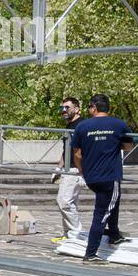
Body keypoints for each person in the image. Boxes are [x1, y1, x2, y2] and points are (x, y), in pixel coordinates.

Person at [70, 94, 133, 264]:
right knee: (101, 214)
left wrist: (80, 168)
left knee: (113, 202)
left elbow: (77, 153)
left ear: (94, 108)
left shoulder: (82, 127)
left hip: (91, 177)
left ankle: (114, 235)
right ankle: (90, 253)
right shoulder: (119, 125)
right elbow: (128, 146)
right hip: (109, 176)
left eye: (90, 107)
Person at [55, 96, 86, 237]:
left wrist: (82, 171)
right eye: (62, 107)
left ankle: (76, 235)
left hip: (75, 169)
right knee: (67, 202)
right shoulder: (69, 126)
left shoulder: (82, 125)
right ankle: (68, 234)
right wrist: (58, 168)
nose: (63, 110)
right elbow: (66, 150)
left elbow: (83, 150)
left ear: (77, 109)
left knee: (65, 202)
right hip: (68, 168)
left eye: (67, 107)